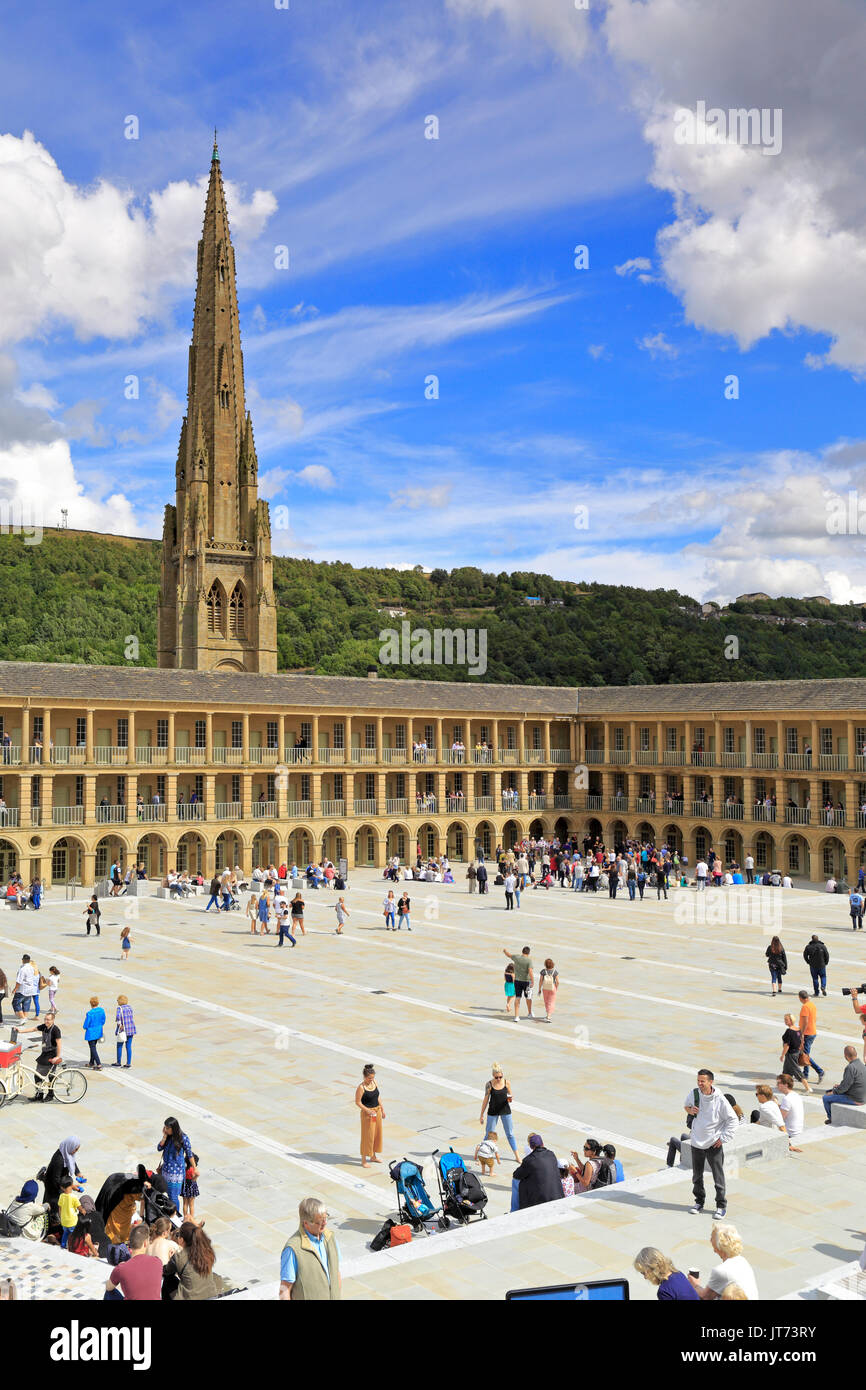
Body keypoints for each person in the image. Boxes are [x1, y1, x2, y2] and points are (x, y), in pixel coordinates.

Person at [685, 1068, 737, 1218]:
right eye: (698, 1080)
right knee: (697, 1176)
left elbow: (732, 1119)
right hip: (696, 1143)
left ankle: (721, 1206)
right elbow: (686, 1106)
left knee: (718, 1177)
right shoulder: (694, 1093)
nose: (700, 1083)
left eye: (703, 1081)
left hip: (713, 1144)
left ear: (711, 1082)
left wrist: (723, 1138)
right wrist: (690, 1110)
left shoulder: (720, 1099)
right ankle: (699, 1202)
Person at [279, 1198, 341, 1301]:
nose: (324, 1223)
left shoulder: (330, 1238)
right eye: (319, 1222)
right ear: (306, 1223)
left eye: (325, 1218)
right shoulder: (292, 1249)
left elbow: (336, 1272)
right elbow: (284, 1290)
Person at [688, 1223, 759, 1300]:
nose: (710, 1240)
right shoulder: (742, 1260)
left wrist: (695, 1284)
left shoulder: (721, 1271)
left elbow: (705, 1296)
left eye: (711, 1238)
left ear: (718, 1246)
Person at [164, 1222, 230, 1300]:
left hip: (190, 1298)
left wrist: (170, 1258)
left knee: (168, 1280)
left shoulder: (179, 1257)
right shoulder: (207, 1251)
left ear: (181, 1239)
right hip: (211, 1295)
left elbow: (165, 1271)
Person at [105, 1223, 162, 1301]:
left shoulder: (122, 1268)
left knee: (109, 1292)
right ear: (145, 1243)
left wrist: (118, 1271)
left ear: (130, 1244)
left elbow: (108, 1287)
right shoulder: (158, 1262)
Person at [17, 1009, 62, 1100]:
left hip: (52, 1054)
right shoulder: (44, 1027)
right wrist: (20, 1031)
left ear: (53, 1020)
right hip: (44, 1054)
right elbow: (33, 1029)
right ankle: (39, 1095)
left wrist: (57, 1056)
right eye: (45, 1019)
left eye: (48, 1020)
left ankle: (50, 1095)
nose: (46, 1021)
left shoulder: (56, 1030)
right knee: (37, 1075)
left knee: (50, 1076)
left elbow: (59, 1044)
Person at [479, 1063, 519, 1160]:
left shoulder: (506, 1083)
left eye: (500, 1077)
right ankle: (481, 1155)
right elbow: (485, 1100)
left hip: (505, 1110)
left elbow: (510, 1094)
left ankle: (517, 1156)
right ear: (493, 1076)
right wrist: (481, 1115)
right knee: (489, 1134)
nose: (498, 1079)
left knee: (510, 1134)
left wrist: (510, 1097)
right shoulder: (489, 1084)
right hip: (493, 1111)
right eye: (496, 1077)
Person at [512, 1133, 563, 1210]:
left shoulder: (529, 1160)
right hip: (557, 1195)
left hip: (540, 1199)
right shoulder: (551, 1154)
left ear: (531, 1147)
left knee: (515, 1181)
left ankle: (514, 1210)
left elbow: (516, 1175)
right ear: (542, 1143)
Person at [157, 1117, 196, 1214]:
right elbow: (159, 1148)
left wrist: (195, 1168)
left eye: (167, 1128)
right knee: (168, 1195)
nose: (165, 1130)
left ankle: (175, 1216)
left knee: (173, 1196)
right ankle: (170, 1214)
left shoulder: (184, 1138)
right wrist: (164, 1136)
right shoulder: (168, 1137)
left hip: (176, 1174)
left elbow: (189, 1154)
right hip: (166, 1171)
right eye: (164, 1128)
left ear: (173, 1128)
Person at [633, 1247, 700, 1301]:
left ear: (652, 1270)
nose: (645, 1277)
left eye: (643, 1273)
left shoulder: (664, 1291)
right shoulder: (678, 1274)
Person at [822, 1045, 866, 1123]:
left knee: (826, 1097)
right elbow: (852, 1082)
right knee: (832, 1090)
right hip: (862, 1097)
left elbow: (845, 1087)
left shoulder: (850, 1067)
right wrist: (839, 1086)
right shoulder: (862, 1065)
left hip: (855, 1099)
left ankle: (831, 1118)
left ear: (846, 1056)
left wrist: (834, 1092)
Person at [355, 1063, 385, 1168]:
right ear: (364, 1077)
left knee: (376, 1134)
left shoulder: (374, 1083)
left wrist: (382, 1108)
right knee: (367, 1136)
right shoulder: (361, 1087)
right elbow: (357, 1102)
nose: (371, 1080)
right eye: (369, 1078)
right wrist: (367, 1110)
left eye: (372, 1078)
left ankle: (373, 1156)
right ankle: (363, 1160)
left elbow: (377, 1096)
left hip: (377, 1112)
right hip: (367, 1115)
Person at [798, 989, 825, 1083]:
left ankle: (820, 1071)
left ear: (801, 998)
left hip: (807, 1033)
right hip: (812, 1031)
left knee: (805, 1055)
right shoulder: (812, 1005)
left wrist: (801, 1034)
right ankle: (805, 1074)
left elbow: (805, 1022)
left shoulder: (805, 1007)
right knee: (805, 1054)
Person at [780, 1013, 812, 1092]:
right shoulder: (798, 1030)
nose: (785, 1021)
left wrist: (782, 1055)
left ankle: (808, 1088)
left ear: (791, 1020)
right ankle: (786, 1087)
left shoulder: (789, 1031)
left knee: (797, 1071)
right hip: (796, 1052)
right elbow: (801, 1040)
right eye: (785, 1019)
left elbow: (786, 1045)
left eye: (786, 1020)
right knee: (786, 1072)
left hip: (791, 1054)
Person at [503, 945, 534, 1021]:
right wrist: (532, 981)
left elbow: (509, 955)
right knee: (528, 997)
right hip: (526, 982)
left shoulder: (517, 957)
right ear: (528, 953)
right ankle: (529, 1013)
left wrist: (505, 951)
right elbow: (530, 971)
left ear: (522, 951)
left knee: (517, 998)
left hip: (517, 981)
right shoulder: (529, 961)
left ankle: (516, 1016)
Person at [774, 1074, 804, 1152]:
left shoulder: (787, 1099)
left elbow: (779, 1119)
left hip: (790, 1134)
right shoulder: (795, 1095)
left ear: (786, 1085)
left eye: (778, 1083)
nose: (777, 1085)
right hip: (798, 1131)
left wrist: (774, 1105)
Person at [82, 996, 106, 1070]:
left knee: (92, 1048)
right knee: (93, 1047)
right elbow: (103, 1020)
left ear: (91, 1004)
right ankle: (91, 1062)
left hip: (91, 1033)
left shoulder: (90, 1013)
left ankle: (98, 1064)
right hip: (98, 1031)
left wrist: (85, 1027)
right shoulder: (101, 1010)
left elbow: (86, 1024)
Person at [58, 1175, 82, 1248]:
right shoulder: (74, 1197)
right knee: (73, 1235)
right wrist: (83, 1211)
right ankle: (74, 1247)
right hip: (72, 1222)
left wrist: (61, 1217)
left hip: (64, 1221)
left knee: (65, 1233)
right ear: (72, 1185)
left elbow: (60, 1208)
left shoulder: (61, 1196)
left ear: (62, 1187)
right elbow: (79, 1207)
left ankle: (63, 1245)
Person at [114, 995, 136, 1067]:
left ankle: (118, 1062)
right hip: (131, 1029)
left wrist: (120, 1025)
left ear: (120, 1001)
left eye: (117, 1000)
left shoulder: (119, 1008)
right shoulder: (130, 1007)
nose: (117, 1002)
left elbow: (118, 1018)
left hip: (123, 1030)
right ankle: (128, 1063)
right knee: (128, 1046)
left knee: (119, 1046)